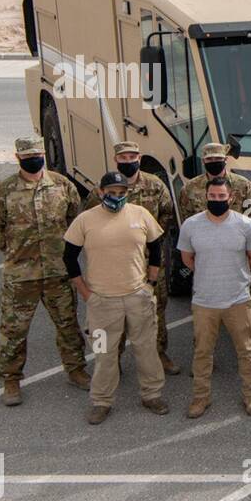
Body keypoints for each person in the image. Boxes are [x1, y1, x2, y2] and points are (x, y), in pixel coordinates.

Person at [0, 136, 89, 406]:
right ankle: (11, 380)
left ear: (44, 154)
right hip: (21, 275)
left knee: (68, 324)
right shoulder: (3, 191)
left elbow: (74, 220)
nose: (34, 158)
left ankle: (76, 369)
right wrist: (11, 250)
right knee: (13, 329)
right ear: (18, 158)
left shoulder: (62, 185)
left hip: (57, 271)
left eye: (37, 154)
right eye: (28, 155)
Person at [64, 171, 167, 425]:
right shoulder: (84, 220)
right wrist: (87, 294)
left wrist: (150, 283)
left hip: (137, 298)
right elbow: (69, 258)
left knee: (146, 349)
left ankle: (152, 395)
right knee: (103, 354)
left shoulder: (140, 215)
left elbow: (156, 249)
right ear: (101, 192)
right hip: (101, 303)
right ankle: (101, 401)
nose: (117, 197)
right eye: (111, 192)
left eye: (121, 193)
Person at [85, 141, 179, 374]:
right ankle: (111, 360)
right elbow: (88, 220)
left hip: (150, 263)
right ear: (116, 160)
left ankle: (159, 353)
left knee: (155, 309)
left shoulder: (155, 185)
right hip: (114, 266)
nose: (128, 162)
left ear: (139, 158)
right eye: (123, 159)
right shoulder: (102, 189)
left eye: (132, 157)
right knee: (113, 316)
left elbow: (167, 213)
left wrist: (150, 240)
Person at [177, 176, 251, 419]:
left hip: (237, 299)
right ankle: (200, 398)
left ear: (231, 198)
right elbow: (187, 259)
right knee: (203, 353)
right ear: (206, 196)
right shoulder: (191, 225)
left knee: (246, 351)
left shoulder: (246, 225)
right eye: (212, 196)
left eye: (221, 197)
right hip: (204, 302)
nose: (217, 200)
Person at [178, 142, 251, 348]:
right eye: (209, 160)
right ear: (203, 161)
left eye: (218, 159)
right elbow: (187, 223)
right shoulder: (189, 189)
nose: (214, 163)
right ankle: (203, 353)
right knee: (203, 310)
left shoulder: (244, 187)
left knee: (245, 307)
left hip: (236, 257)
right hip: (205, 258)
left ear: (225, 160)